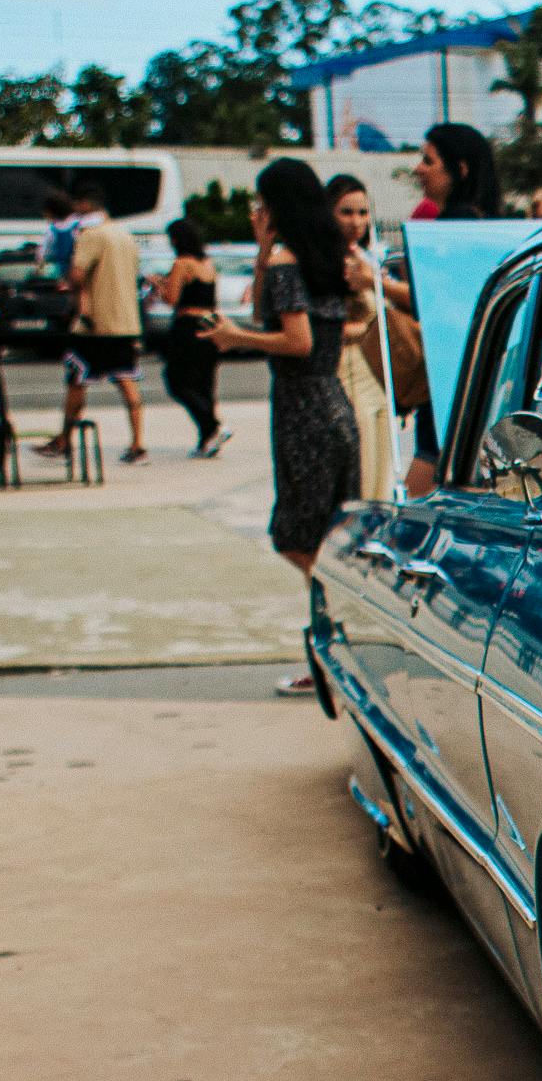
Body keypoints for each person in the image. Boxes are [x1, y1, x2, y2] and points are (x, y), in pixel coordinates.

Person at [198, 159, 356, 694]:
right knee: (324, 533)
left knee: (296, 537)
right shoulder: (320, 258)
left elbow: (297, 340)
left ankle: (339, 630)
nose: (256, 211)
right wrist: (262, 248)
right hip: (332, 404)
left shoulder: (293, 262)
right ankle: (333, 640)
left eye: (262, 202)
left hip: (304, 409)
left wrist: (237, 338)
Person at [40, 180, 149, 466]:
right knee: (127, 381)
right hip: (126, 321)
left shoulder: (90, 235)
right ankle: (138, 443)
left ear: (84, 204)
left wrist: (70, 286)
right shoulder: (126, 236)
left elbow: (77, 275)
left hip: (94, 323)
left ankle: (64, 439)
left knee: (77, 379)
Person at [325, 175, 398, 504]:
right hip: (348, 370)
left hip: (377, 371)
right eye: (346, 212)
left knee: (381, 466)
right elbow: (325, 327)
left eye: (362, 212)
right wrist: (371, 325)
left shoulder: (365, 257)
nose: (356, 221)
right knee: (363, 469)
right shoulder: (329, 263)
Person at [151, 218, 224, 457]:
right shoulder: (208, 264)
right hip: (210, 323)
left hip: (187, 325)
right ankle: (207, 439)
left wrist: (159, 286)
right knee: (204, 383)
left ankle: (212, 426)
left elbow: (171, 299)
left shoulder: (182, 263)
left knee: (177, 380)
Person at [415, 122, 502, 221]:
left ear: (460, 169)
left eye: (428, 161)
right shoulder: (487, 221)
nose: (418, 169)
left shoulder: (455, 223)